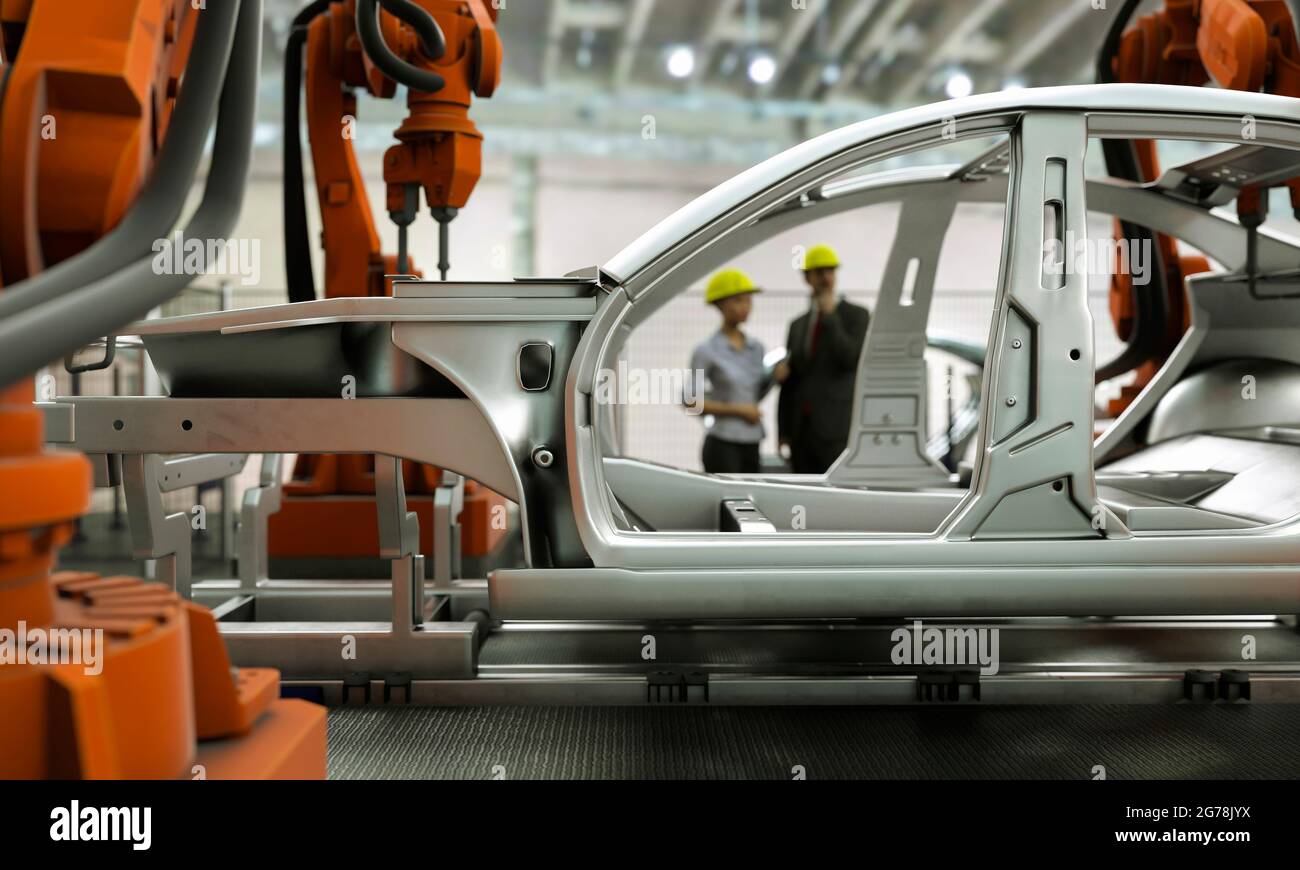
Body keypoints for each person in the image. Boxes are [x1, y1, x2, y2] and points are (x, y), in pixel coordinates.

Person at [776, 244, 870, 474]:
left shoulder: (856, 315)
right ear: (807, 278)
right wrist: (784, 431)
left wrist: (830, 317)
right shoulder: (798, 325)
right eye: (819, 272)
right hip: (802, 430)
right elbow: (792, 382)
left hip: (836, 428)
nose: (825, 278)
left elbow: (851, 359)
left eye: (830, 271)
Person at [688, 268, 773, 474]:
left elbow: (752, 393)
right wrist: (739, 410)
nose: (746, 307)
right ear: (721, 305)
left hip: (752, 441)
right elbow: (691, 400)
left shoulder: (756, 348)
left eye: (748, 301)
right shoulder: (707, 350)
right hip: (723, 443)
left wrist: (774, 379)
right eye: (738, 301)